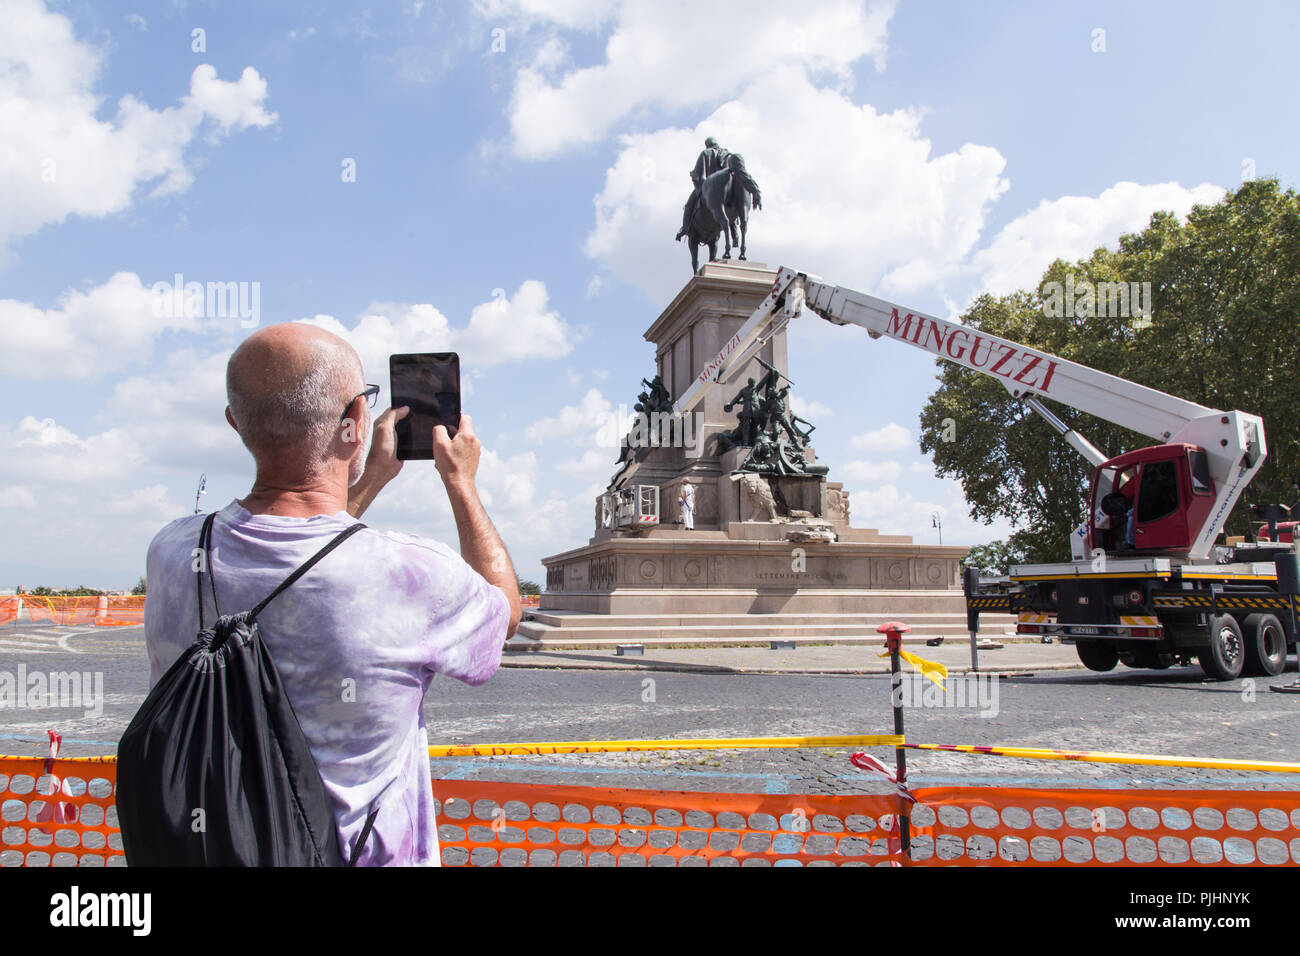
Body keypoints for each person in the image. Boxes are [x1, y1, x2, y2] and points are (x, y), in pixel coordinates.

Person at [142, 323, 521, 866]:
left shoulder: (173, 552)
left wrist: (366, 482)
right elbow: (503, 611)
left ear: (234, 422)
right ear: (356, 423)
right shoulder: (411, 573)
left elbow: (303, 554)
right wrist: (460, 482)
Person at [676, 136, 729, 241]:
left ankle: (685, 229)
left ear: (707, 145)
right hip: (725, 187)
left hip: (708, 186)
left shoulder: (705, 153)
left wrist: (699, 184)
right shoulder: (725, 153)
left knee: (689, 205)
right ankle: (734, 231)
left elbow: (697, 175)